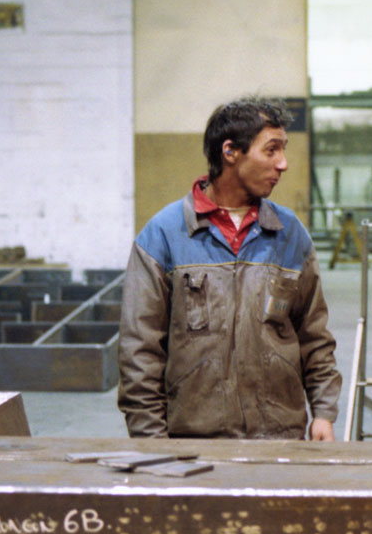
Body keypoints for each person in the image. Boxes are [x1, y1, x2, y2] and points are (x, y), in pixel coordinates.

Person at [119, 97, 340, 440]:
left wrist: (323, 412)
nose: (283, 164)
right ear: (231, 152)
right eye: (271, 150)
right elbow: (140, 350)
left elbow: (314, 335)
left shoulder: (290, 233)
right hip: (193, 442)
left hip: (279, 439)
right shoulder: (162, 235)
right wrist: (151, 441)